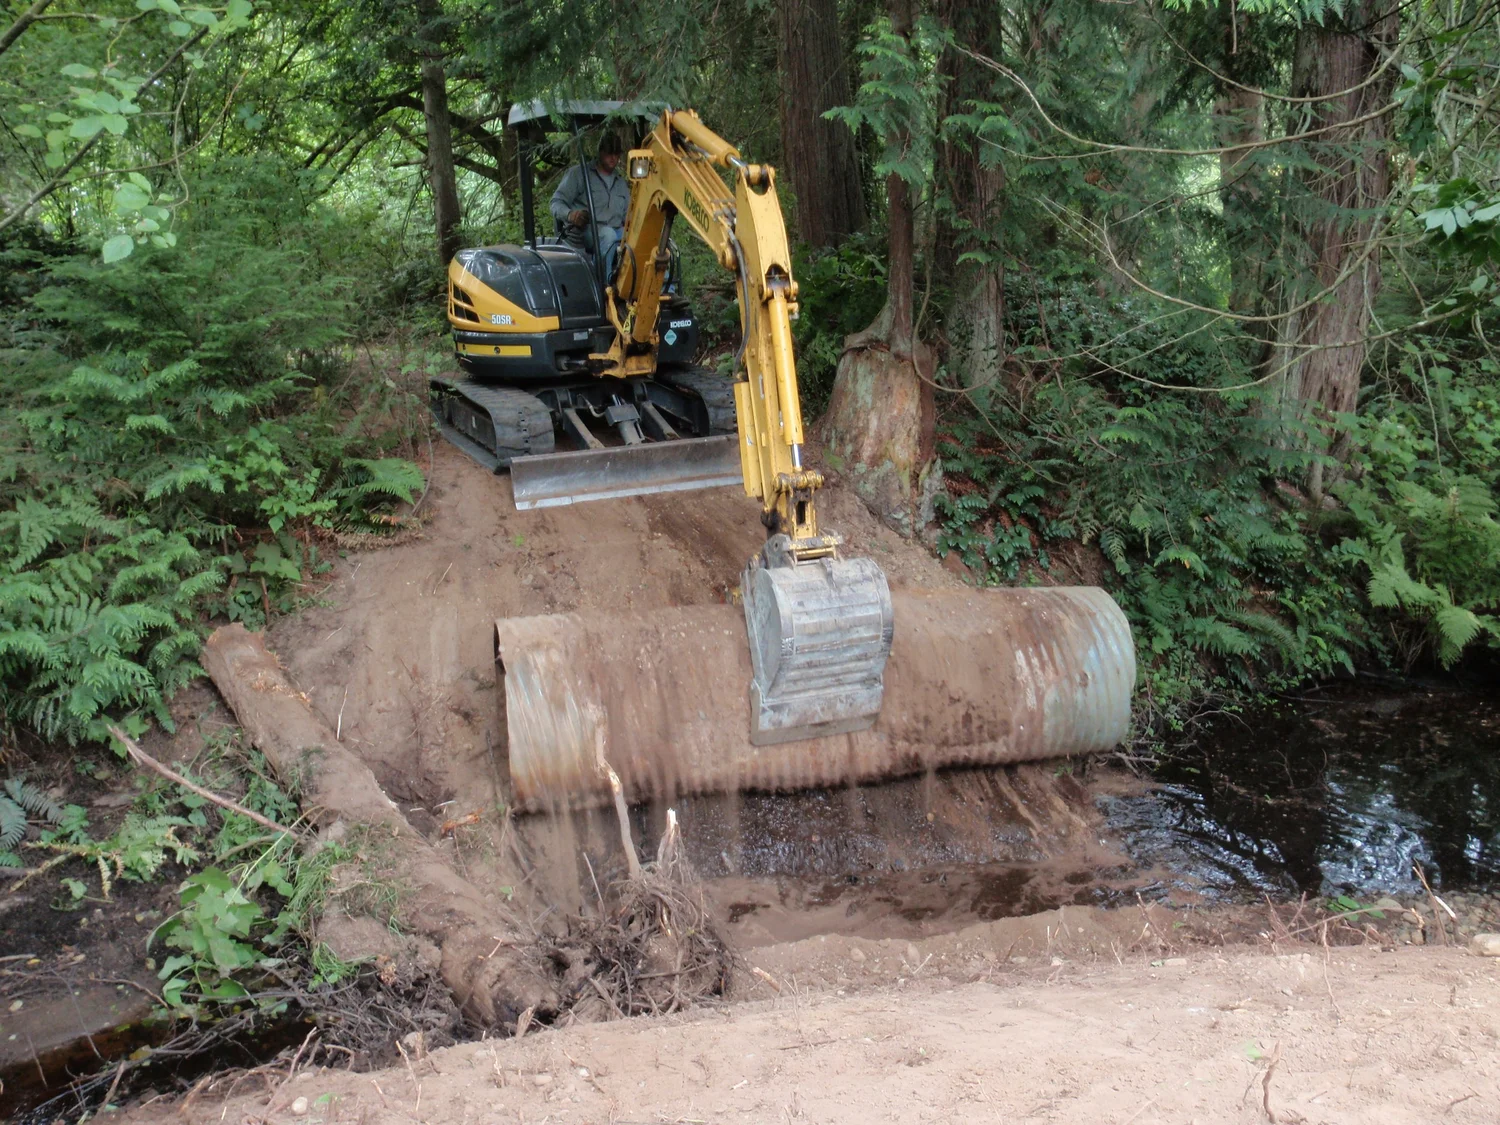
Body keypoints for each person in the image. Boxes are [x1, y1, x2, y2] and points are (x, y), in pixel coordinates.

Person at [549, 133, 630, 266]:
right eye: (609, 153)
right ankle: (603, 277)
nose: (613, 158)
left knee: (636, 239)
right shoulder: (579, 174)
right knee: (609, 235)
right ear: (600, 152)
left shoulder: (620, 182)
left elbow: (628, 214)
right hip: (587, 232)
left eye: (616, 154)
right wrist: (571, 215)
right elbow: (556, 202)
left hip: (615, 230)